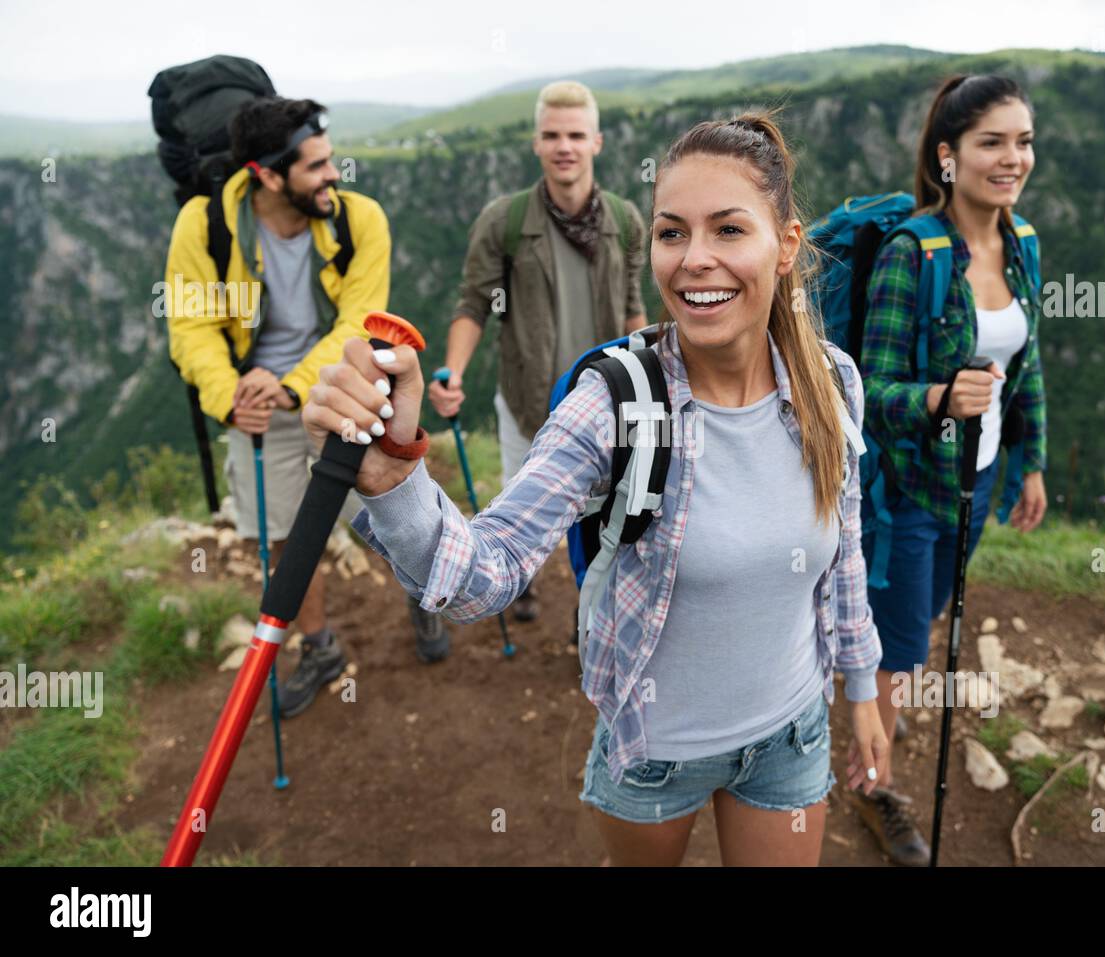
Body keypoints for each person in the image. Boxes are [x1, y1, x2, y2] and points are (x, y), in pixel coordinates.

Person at [305, 111, 889, 866]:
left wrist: (863, 685)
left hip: (794, 729)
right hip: (653, 746)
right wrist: (394, 478)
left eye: (729, 230)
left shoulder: (832, 380)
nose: (694, 259)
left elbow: (844, 550)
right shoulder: (613, 401)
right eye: (672, 233)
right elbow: (485, 575)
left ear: (786, 246)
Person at [164, 96, 451, 719]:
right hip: (255, 404)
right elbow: (191, 326)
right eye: (316, 167)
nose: (333, 176)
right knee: (286, 538)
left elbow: (359, 321)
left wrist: (294, 385)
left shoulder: (359, 220)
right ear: (265, 173)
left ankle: (423, 597)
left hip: (341, 387)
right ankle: (318, 647)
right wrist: (228, 397)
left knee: (386, 506)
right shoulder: (205, 224)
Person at [858, 74, 1049, 864]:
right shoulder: (914, 253)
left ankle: (872, 722)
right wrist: (938, 394)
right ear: (949, 155)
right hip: (909, 492)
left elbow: (1028, 361)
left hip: (972, 490)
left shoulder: (1025, 243)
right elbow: (866, 390)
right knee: (900, 648)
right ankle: (872, 785)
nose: (1013, 159)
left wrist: (1030, 460)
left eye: (1025, 141)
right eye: (993, 142)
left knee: (919, 623)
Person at [428, 80, 647, 628]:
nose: (563, 146)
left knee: (606, 510)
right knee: (521, 503)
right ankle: (513, 582)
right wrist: (451, 373)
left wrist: (656, 376)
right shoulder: (504, 222)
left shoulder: (626, 223)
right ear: (536, 144)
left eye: (575, 134)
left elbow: (632, 309)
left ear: (597, 142)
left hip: (605, 399)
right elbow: (474, 303)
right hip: (527, 399)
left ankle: (591, 609)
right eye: (552, 135)